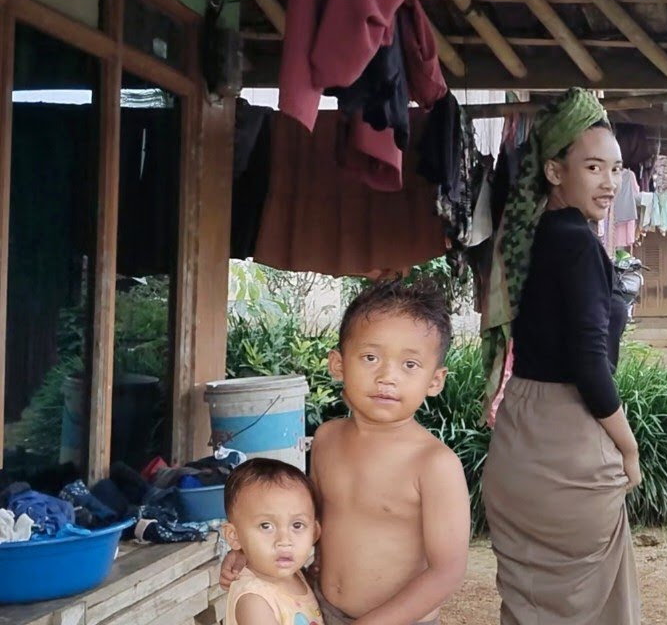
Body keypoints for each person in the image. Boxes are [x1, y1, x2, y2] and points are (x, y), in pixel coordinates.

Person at [479, 88, 642, 624]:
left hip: (517, 442)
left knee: (529, 608)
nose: (609, 182)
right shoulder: (575, 243)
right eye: (593, 166)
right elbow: (589, 364)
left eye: (615, 169)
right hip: (566, 443)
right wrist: (629, 448)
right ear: (554, 170)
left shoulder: (532, 238)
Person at [222, 280, 470, 625]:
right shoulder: (327, 438)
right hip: (321, 608)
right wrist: (251, 554)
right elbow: (304, 522)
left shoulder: (434, 464)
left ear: (435, 381)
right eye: (370, 357)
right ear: (338, 364)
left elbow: (448, 571)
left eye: (409, 365)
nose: (387, 377)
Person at [221, 458, 324, 625]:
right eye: (266, 526)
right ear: (234, 536)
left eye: (297, 525)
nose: (284, 541)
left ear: (315, 533)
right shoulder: (254, 600)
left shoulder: (297, 576)